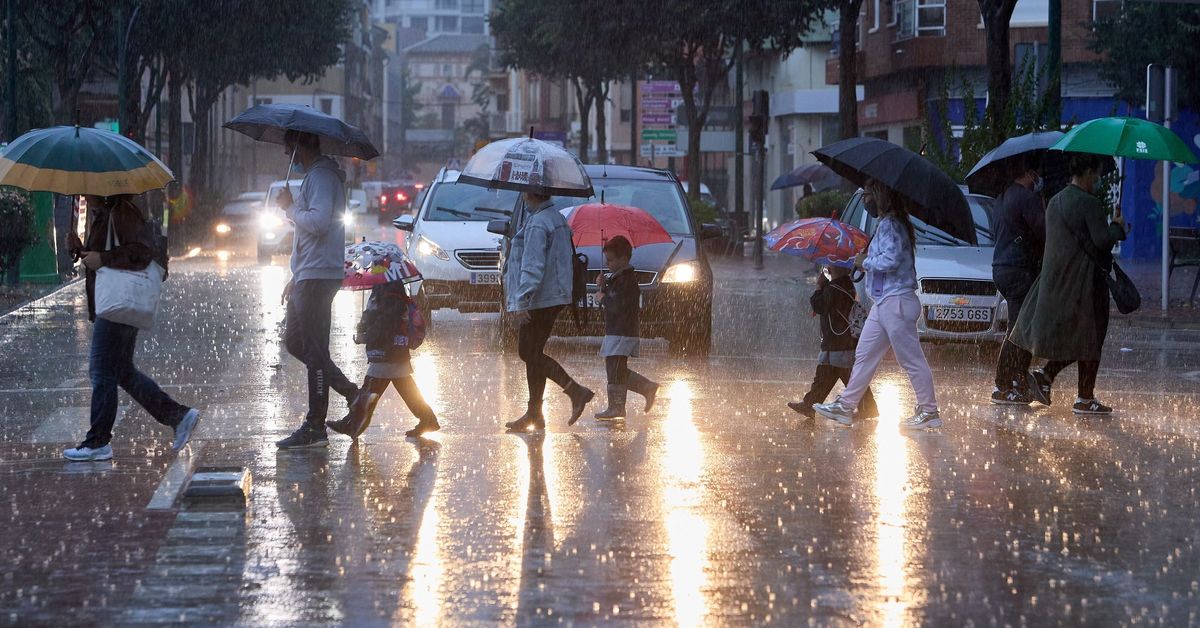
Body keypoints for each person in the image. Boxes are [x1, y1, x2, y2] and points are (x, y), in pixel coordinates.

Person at [63, 195, 200, 461]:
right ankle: (178, 416)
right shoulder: (104, 213)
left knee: (101, 370)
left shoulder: (121, 212)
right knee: (121, 371)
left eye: (87, 188)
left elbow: (140, 252)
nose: (83, 194)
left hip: (118, 303)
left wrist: (102, 258)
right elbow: (102, 256)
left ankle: (98, 442)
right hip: (117, 303)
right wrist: (79, 250)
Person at [814, 183, 942, 430]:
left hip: (897, 303)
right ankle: (846, 405)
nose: (866, 200)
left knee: (911, 360)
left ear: (883, 196)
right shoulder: (886, 224)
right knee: (863, 355)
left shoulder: (892, 225)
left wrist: (866, 261)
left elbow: (891, 259)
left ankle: (929, 410)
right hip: (883, 303)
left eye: (869, 195)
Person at [1009, 153, 1125, 415]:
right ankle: (1081, 396)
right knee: (1092, 338)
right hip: (1086, 282)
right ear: (1086, 172)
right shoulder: (1088, 203)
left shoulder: (1055, 201)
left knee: (1081, 337)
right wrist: (1118, 228)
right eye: (1095, 173)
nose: (1097, 179)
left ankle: (1051, 378)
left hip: (1057, 280)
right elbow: (1102, 241)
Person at [275, 130, 360, 449]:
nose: (287, 156)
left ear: (300, 145)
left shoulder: (322, 177)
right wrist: (296, 276)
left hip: (320, 275)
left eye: (289, 149)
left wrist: (289, 208)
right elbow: (308, 235)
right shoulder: (314, 176)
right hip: (307, 274)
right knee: (297, 343)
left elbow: (321, 222)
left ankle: (315, 425)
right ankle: (352, 393)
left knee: (314, 351)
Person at [503, 190, 594, 432]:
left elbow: (533, 266)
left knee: (528, 352)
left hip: (540, 298)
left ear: (531, 194)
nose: (522, 196)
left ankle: (575, 390)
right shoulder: (555, 219)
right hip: (553, 295)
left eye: (524, 193)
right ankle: (535, 414)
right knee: (533, 353)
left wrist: (521, 301)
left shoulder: (539, 223)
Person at [327, 280, 440, 439]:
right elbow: (376, 313)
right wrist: (364, 325)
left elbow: (387, 321)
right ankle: (427, 419)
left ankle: (352, 425)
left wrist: (368, 336)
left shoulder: (391, 287)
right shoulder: (382, 284)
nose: (372, 267)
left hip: (388, 348)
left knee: (370, 390)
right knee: (403, 386)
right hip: (390, 348)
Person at [989, 156, 1047, 405]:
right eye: (1036, 174)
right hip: (1019, 269)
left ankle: (1007, 382)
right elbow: (1045, 232)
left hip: (1002, 267)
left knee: (1017, 327)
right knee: (1021, 330)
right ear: (1029, 173)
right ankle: (1011, 383)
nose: (1038, 180)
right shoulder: (1025, 198)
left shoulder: (1002, 198)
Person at [787, 264, 879, 420]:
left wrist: (819, 286)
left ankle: (868, 407)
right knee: (825, 376)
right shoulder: (846, 285)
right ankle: (809, 405)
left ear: (835, 269)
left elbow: (819, 305)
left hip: (838, 343)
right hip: (840, 342)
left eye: (829, 266)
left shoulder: (834, 288)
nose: (827, 268)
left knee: (851, 377)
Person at [593, 236, 658, 420]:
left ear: (623, 259)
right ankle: (620, 405)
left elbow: (617, 306)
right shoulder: (619, 278)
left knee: (615, 368)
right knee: (614, 367)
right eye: (607, 261)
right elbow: (614, 301)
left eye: (611, 260)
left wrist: (603, 297)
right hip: (617, 331)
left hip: (622, 331)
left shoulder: (627, 281)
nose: (608, 264)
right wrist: (604, 286)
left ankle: (636, 394)